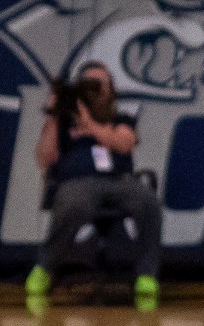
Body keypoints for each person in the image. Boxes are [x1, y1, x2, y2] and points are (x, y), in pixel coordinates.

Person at [25, 62, 161, 307]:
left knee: (148, 201)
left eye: (101, 84)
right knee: (73, 205)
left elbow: (124, 143)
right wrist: (55, 116)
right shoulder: (66, 123)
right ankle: (45, 269)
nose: (96, 90)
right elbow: (44, 157)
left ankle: (146, 275)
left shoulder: (122, 118)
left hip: (120, 181)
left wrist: (91, 126)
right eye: (89, 84)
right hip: (78, 183)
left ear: (112, 90)